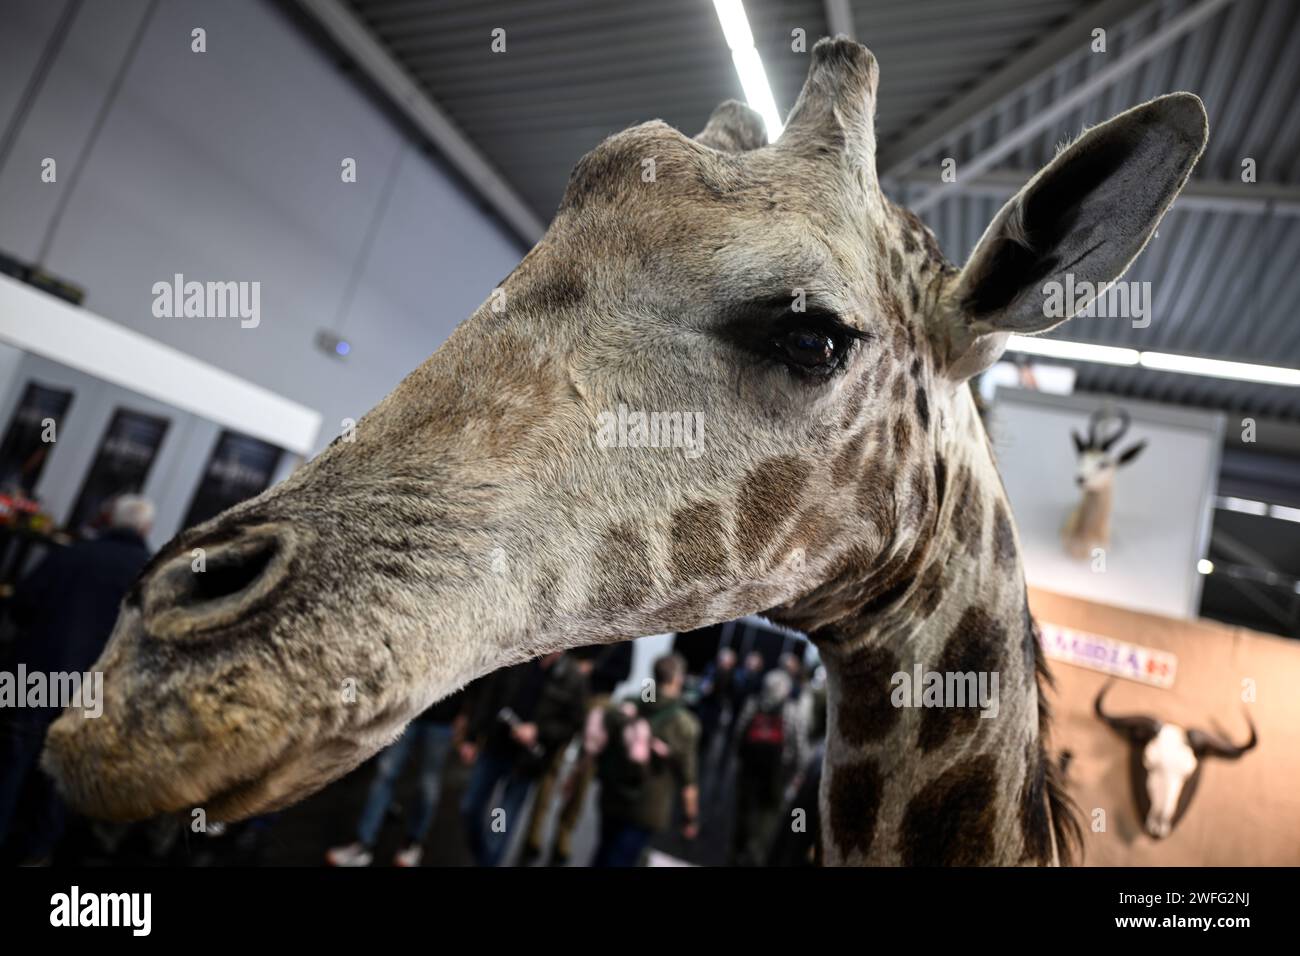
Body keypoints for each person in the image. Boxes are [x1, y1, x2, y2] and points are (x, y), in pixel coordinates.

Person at [0, 495, 154, 863]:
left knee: (8, 766)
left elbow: (21, 604)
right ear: (146, 529)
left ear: (108, 518)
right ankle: (34, 854)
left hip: (32, 676)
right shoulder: (149, 579)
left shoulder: (72, 553)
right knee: (59, 779)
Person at [459, 652, 586, 866]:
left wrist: (538, 731)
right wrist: (472, 737)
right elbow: (491, 696)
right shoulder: (519, 657)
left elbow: (572, 724)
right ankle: (483, 855)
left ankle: (487, 861)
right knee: (470, 807)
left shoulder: (573, 678)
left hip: (526, 763)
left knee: (500, 823)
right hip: (495, 748)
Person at [326, 687, 468, 867]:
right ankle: (363, 843)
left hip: (442, 718)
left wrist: (466, 717)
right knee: (385, 773)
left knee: (427, 784)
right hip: (407, 711)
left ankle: (413, 842)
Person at [582, 653, 700, 867]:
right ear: (677, 679)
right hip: (647, 806)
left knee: (603, 852)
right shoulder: (684, 723)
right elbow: (688, 779)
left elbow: (645, 702)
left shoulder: (636, 702)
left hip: (613, 795)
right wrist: (690, 819)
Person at [521, 641, 631, 866]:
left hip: (598, 700)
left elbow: (623, 671)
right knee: (551, 762)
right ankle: (534, 833)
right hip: (570, 691)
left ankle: (564, 835)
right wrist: (574, 666)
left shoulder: (624, 637)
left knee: (585, 771)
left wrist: (594, 669)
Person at [729, 668, 810, 866]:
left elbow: (739, 733)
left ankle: (739, 851)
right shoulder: (792, 711)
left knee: (745, 812)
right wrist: (800, 774)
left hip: (749, 770)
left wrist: (738, 760)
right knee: (769, 816)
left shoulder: (753, 704)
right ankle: (756, 854)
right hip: (777, 774)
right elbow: (800, 746)